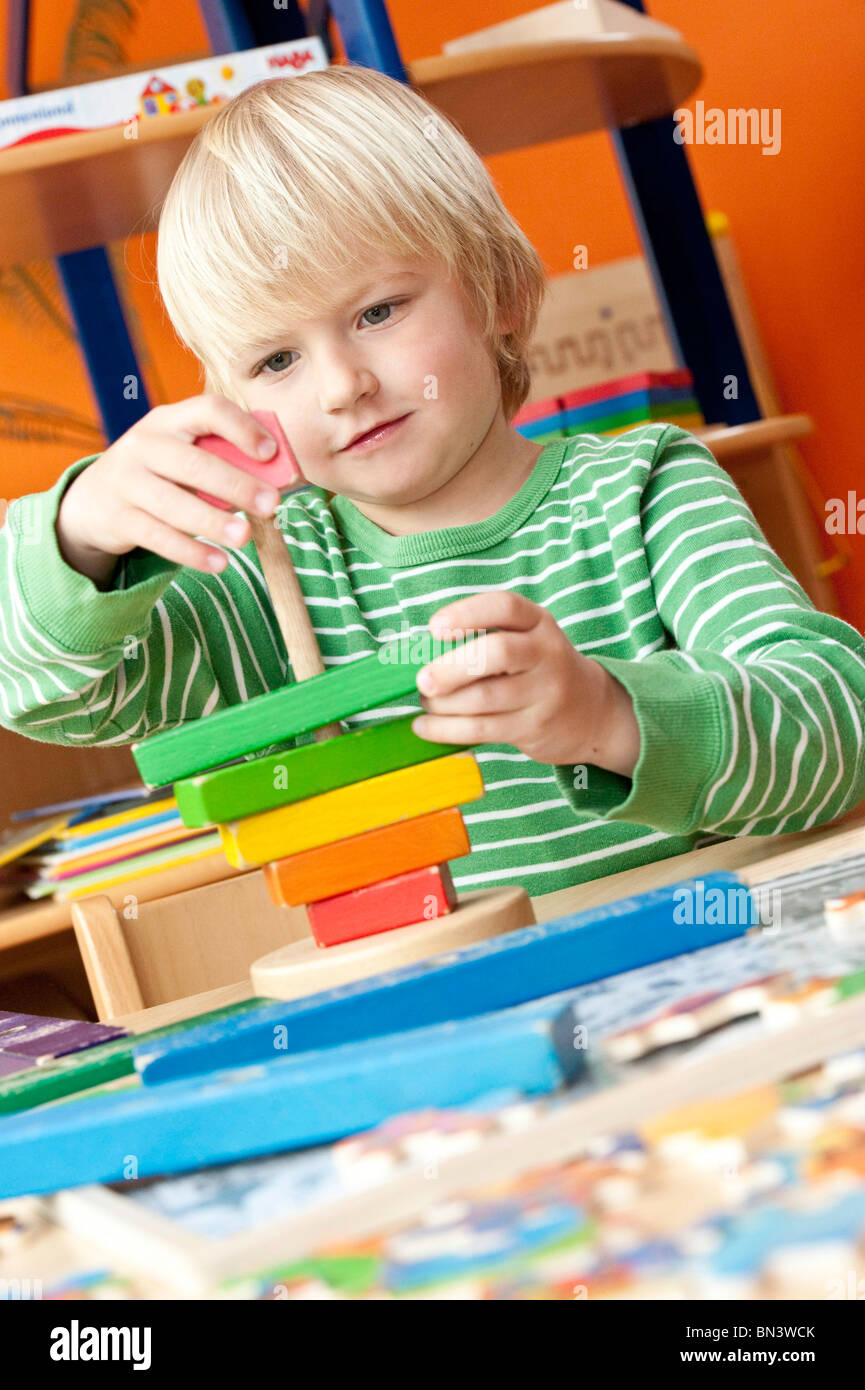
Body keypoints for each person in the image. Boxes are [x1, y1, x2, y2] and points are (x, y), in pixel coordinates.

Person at [1, 67, 862, 898]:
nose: (342, 386)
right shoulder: (264, 582)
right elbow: (49, 697)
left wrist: (608, 715)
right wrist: (78, 533)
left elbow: (839, 725)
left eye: (378, 312)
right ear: (235, 404)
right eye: (276, 360)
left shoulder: (641, 493)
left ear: (499, 294)